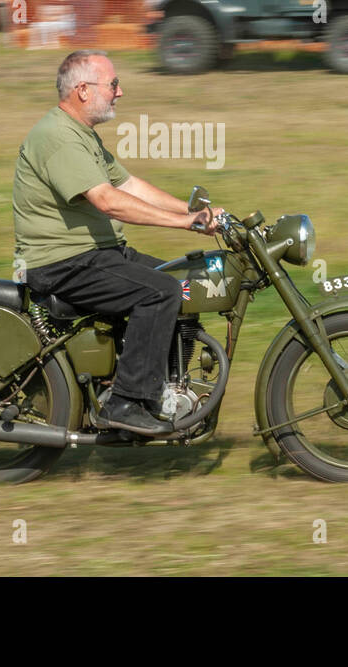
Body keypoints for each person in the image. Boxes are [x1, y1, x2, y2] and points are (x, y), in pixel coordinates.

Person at [13, 50, 223, 436]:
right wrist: (185, 224)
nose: (120, 91)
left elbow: (129, 185)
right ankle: (126, 404)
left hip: (96, 254)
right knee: (161, 293)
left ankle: (162, 392)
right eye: (113, 84)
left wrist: (197, 211)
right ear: (82, 90)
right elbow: (108, 201)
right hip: (64, 263)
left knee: (188, 284)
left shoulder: (81, 134)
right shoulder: (58, 138)